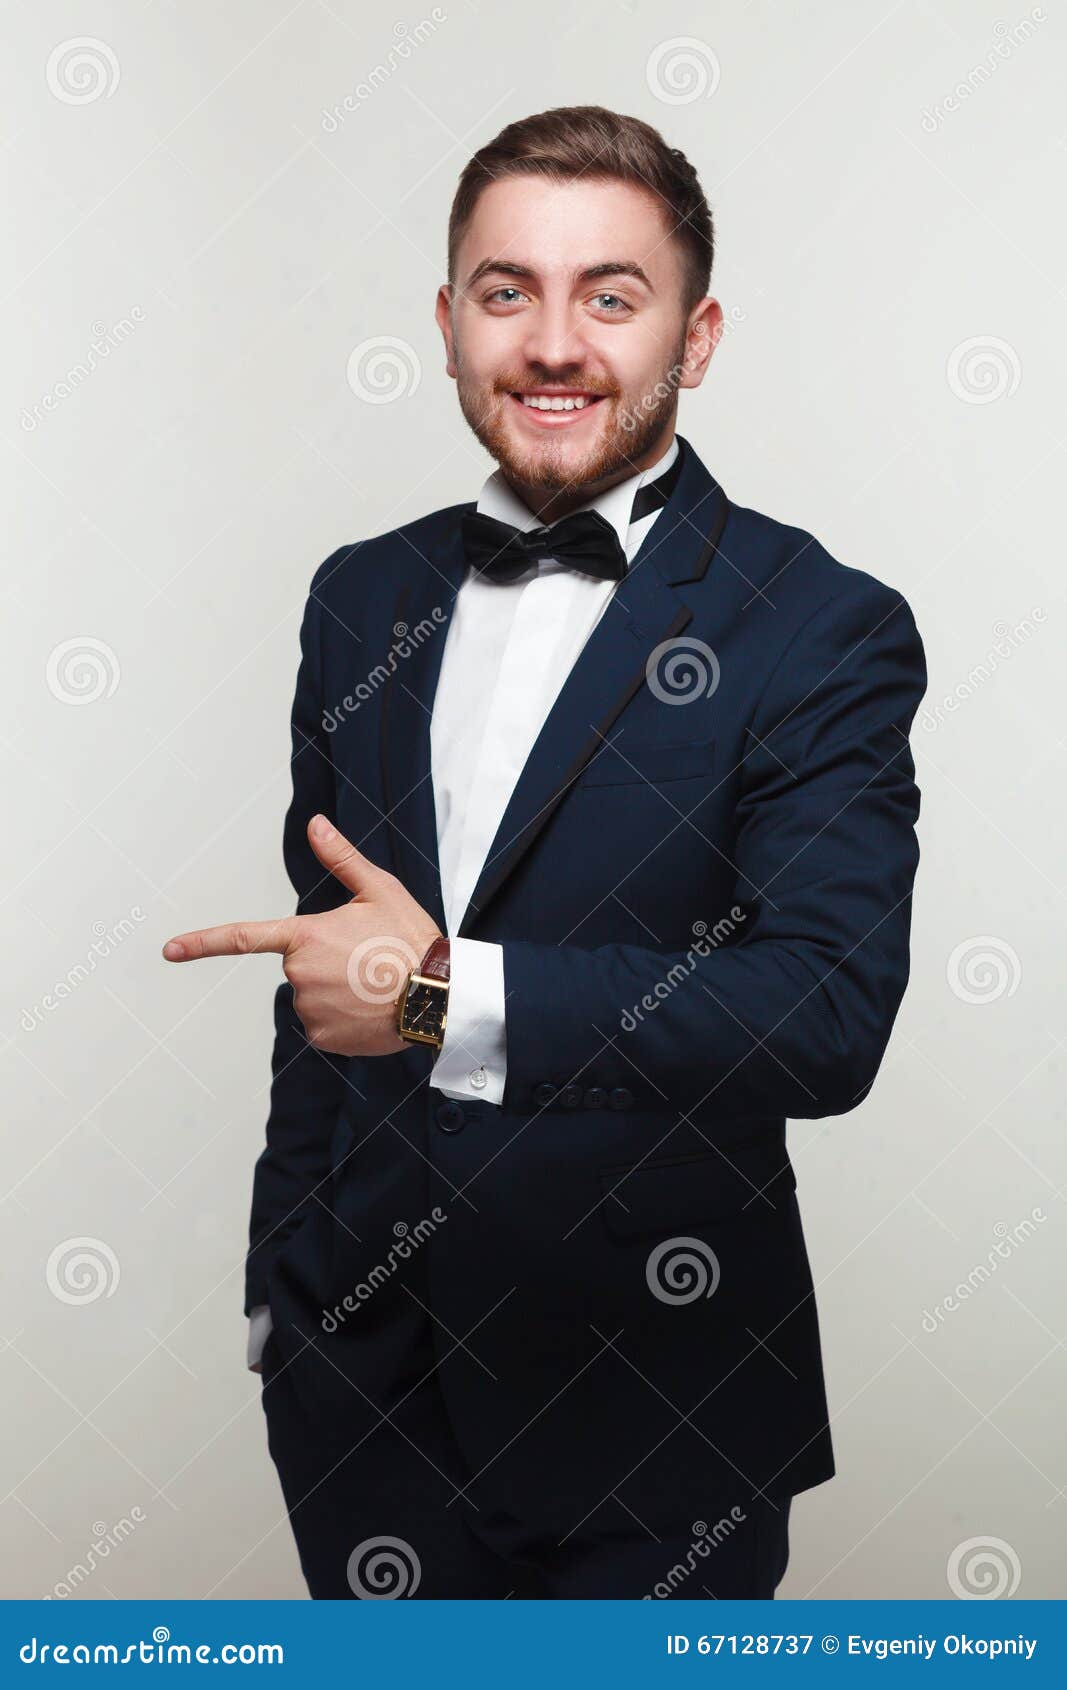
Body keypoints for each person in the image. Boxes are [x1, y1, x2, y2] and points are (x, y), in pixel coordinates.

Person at [162, 105, 926, 1599]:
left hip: (655, 1426)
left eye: (611, 296)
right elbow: (329, 967)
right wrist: (283, 1304)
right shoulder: (359, 597)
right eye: (507, 291)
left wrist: (450, 994)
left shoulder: (818, 623)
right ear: (448, 325)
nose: (554, 343)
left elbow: (822, 1016)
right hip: (364, 1409)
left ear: (695, 338)